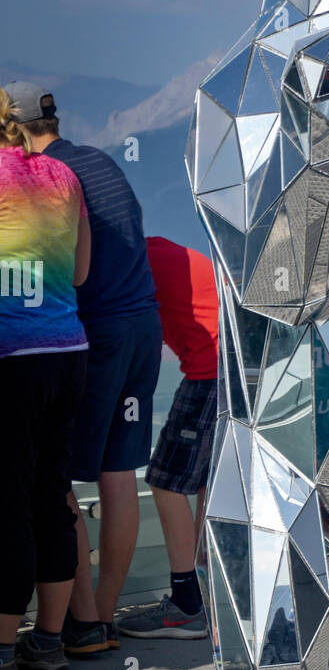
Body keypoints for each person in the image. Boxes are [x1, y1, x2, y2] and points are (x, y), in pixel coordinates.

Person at [3, 82, 164, 648]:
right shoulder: (97, 161)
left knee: (56, 481)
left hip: (91, 335)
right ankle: (98, 620)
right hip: (144, 325)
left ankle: (78, 620)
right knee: (117, 473)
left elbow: (68, 270)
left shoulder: (42, 175)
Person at [0, 86, 90, 670]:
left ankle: (2, 653)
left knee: (6, 504)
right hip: (68, 352)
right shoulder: (64, 176)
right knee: (52, 497)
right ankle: (49, 642)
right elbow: (80, 272)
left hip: (12, 357)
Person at [115, 237, 219, 639]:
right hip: (239, 371)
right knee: (209, 483)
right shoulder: (166, 251)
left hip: (209, 373)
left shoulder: (130, 261)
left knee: (165, 480)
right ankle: (210, 596)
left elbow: (124, 330)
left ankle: (186, 605)